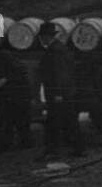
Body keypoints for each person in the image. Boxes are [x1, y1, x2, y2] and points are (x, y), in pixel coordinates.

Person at [35, 21, 84, 159]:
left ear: (46, 37)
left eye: (42, 37)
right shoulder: (60, 48)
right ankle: (76, 149)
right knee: (67, 120)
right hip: (65, 92)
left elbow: (59, 73)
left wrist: (58, 93)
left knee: (56, 122)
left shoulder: (54, 51)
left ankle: (53, 150)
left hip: (59, 93)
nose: (41, 39)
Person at [0, 36, 33, 152]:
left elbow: (4, 79)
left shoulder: (1, 56)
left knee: (10, 119)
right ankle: (18, 143)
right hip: (13, 91)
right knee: (12, 119)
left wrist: (4, 80)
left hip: (16, 91)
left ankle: (10, 144)